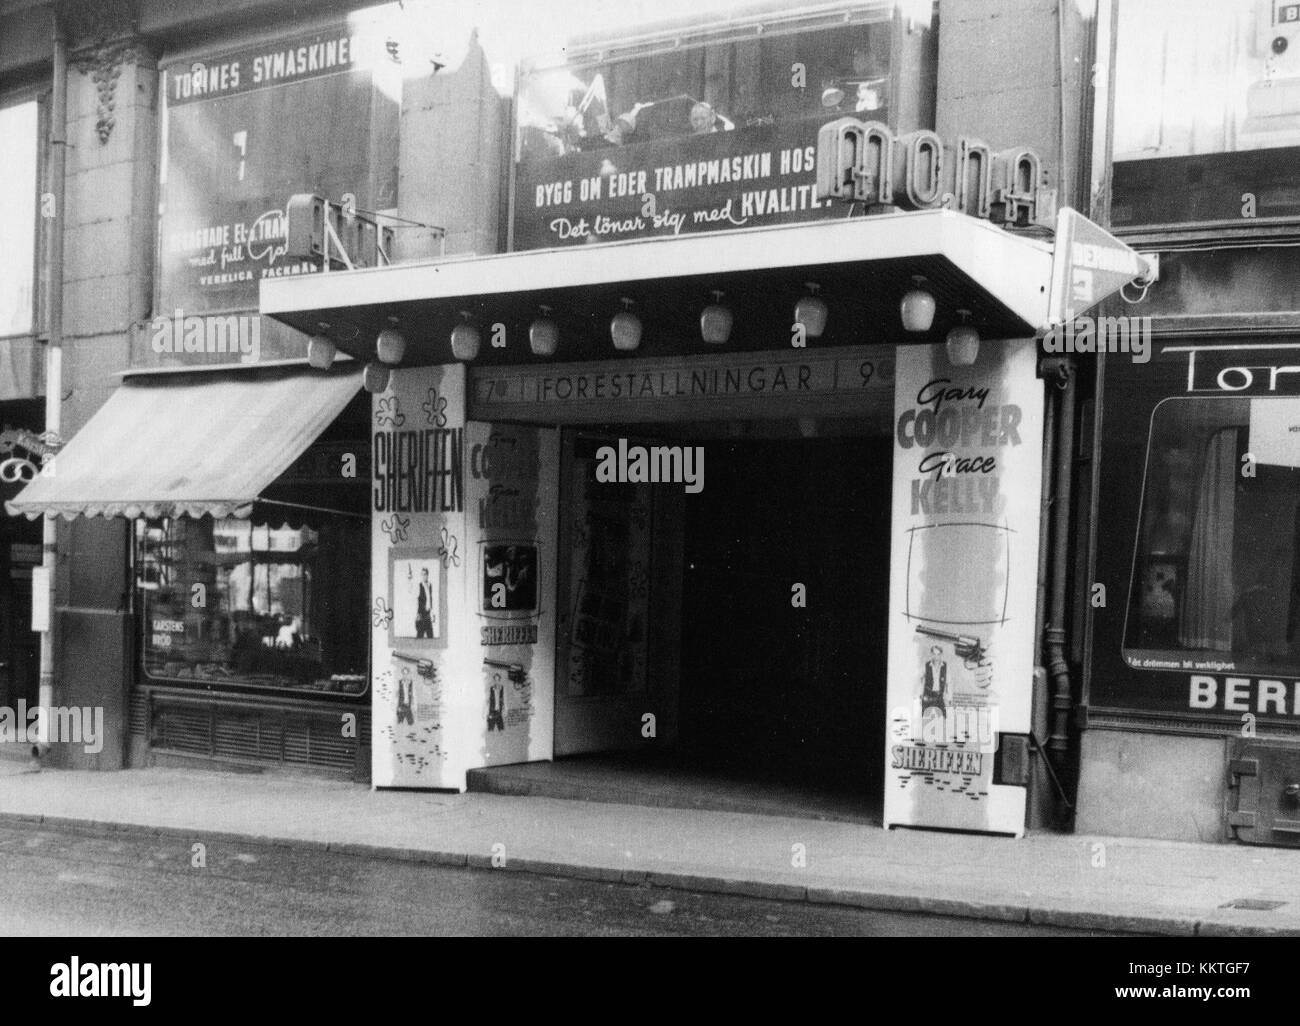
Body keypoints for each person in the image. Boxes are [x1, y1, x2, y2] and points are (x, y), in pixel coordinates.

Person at [415, 567, 435, 638]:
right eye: (422, 574)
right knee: (419, 637)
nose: (424, 576)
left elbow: (430, 600)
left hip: (428, 615)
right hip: (421, 615)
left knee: (430, 637)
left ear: (427, 575)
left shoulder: (430, 585)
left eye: (425, 574)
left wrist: (432, 613)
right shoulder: (419, 586)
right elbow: (410, 591)